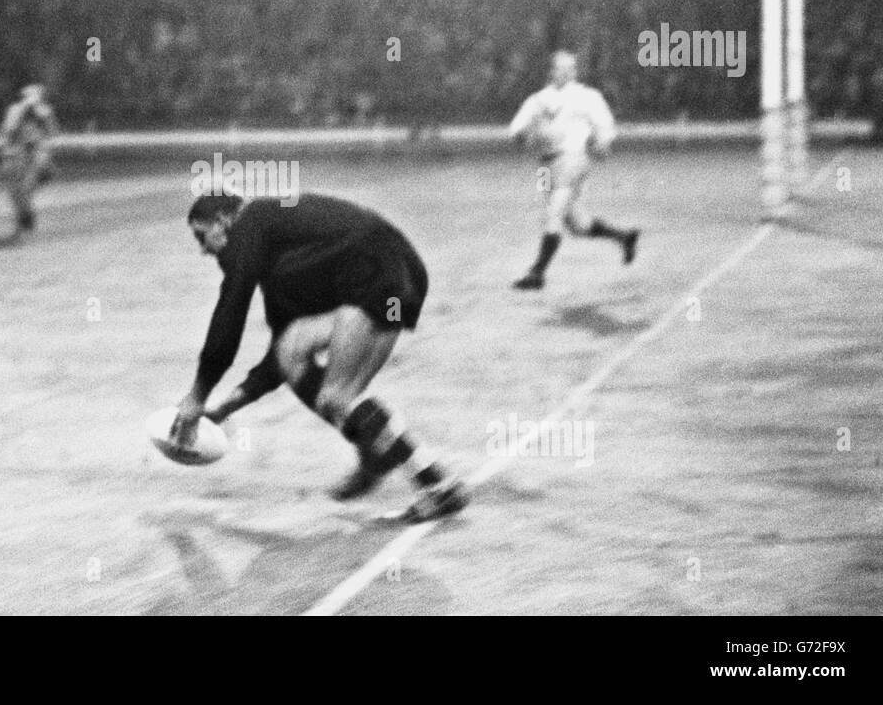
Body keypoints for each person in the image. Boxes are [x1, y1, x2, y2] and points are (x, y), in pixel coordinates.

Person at [169, 191, 469, 523]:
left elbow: (231, 309)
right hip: (400, 283)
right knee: (295, 354)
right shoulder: (283, 253)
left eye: (202, 235)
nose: (203, 249)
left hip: (378, 279)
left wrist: (197, 395)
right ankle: (374, 453)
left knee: (336, 397)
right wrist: (226, 407)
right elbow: (278, 361)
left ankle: (438, 483)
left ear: (223, 221)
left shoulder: (248, 225)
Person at [508, 50, 639, 290]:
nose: (567, 73)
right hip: (545, 168)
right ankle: (624, 237)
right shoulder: (537, 100)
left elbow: (605, 126)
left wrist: (602, 142)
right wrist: (526, 136)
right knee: (577, 224)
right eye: (561, 68)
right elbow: (516, 130)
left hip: (573, 160)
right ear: (552, 71)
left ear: (576, 71)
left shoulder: (587, 97)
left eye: (571, 68)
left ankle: (537, 273)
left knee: (553, 214)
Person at [0, 83, 59, 235]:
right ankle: (24, 220)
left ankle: (25, 220)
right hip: (19, 156)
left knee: (23, 191)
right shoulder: (15, 111)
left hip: (36, 159)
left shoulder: (43, 112)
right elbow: (8, 135)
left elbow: (52, 133)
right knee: (17, 193)